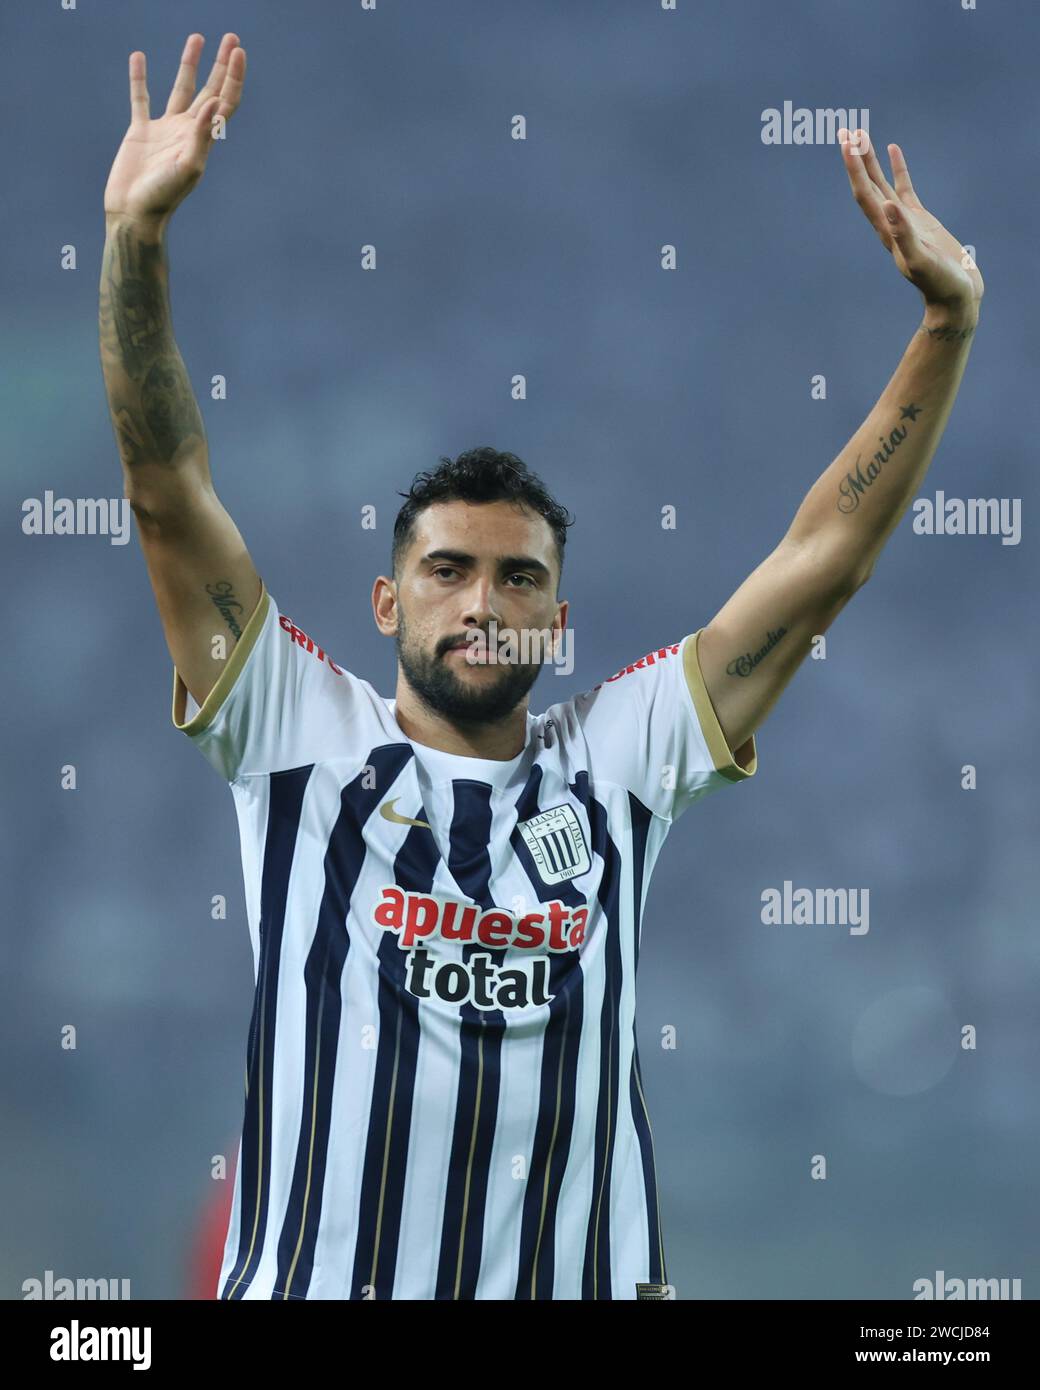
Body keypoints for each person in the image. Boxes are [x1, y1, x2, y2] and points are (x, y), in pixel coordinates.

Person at [98, 32, 983, 1300]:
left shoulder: (617, 761)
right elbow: (164, 488)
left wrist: (946, 326)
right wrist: (134, 236)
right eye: (448, 570)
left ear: (557, 619)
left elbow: (821, 558)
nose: (482, 602)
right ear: (385, 601)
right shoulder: (296, 732)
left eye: (519, 578)